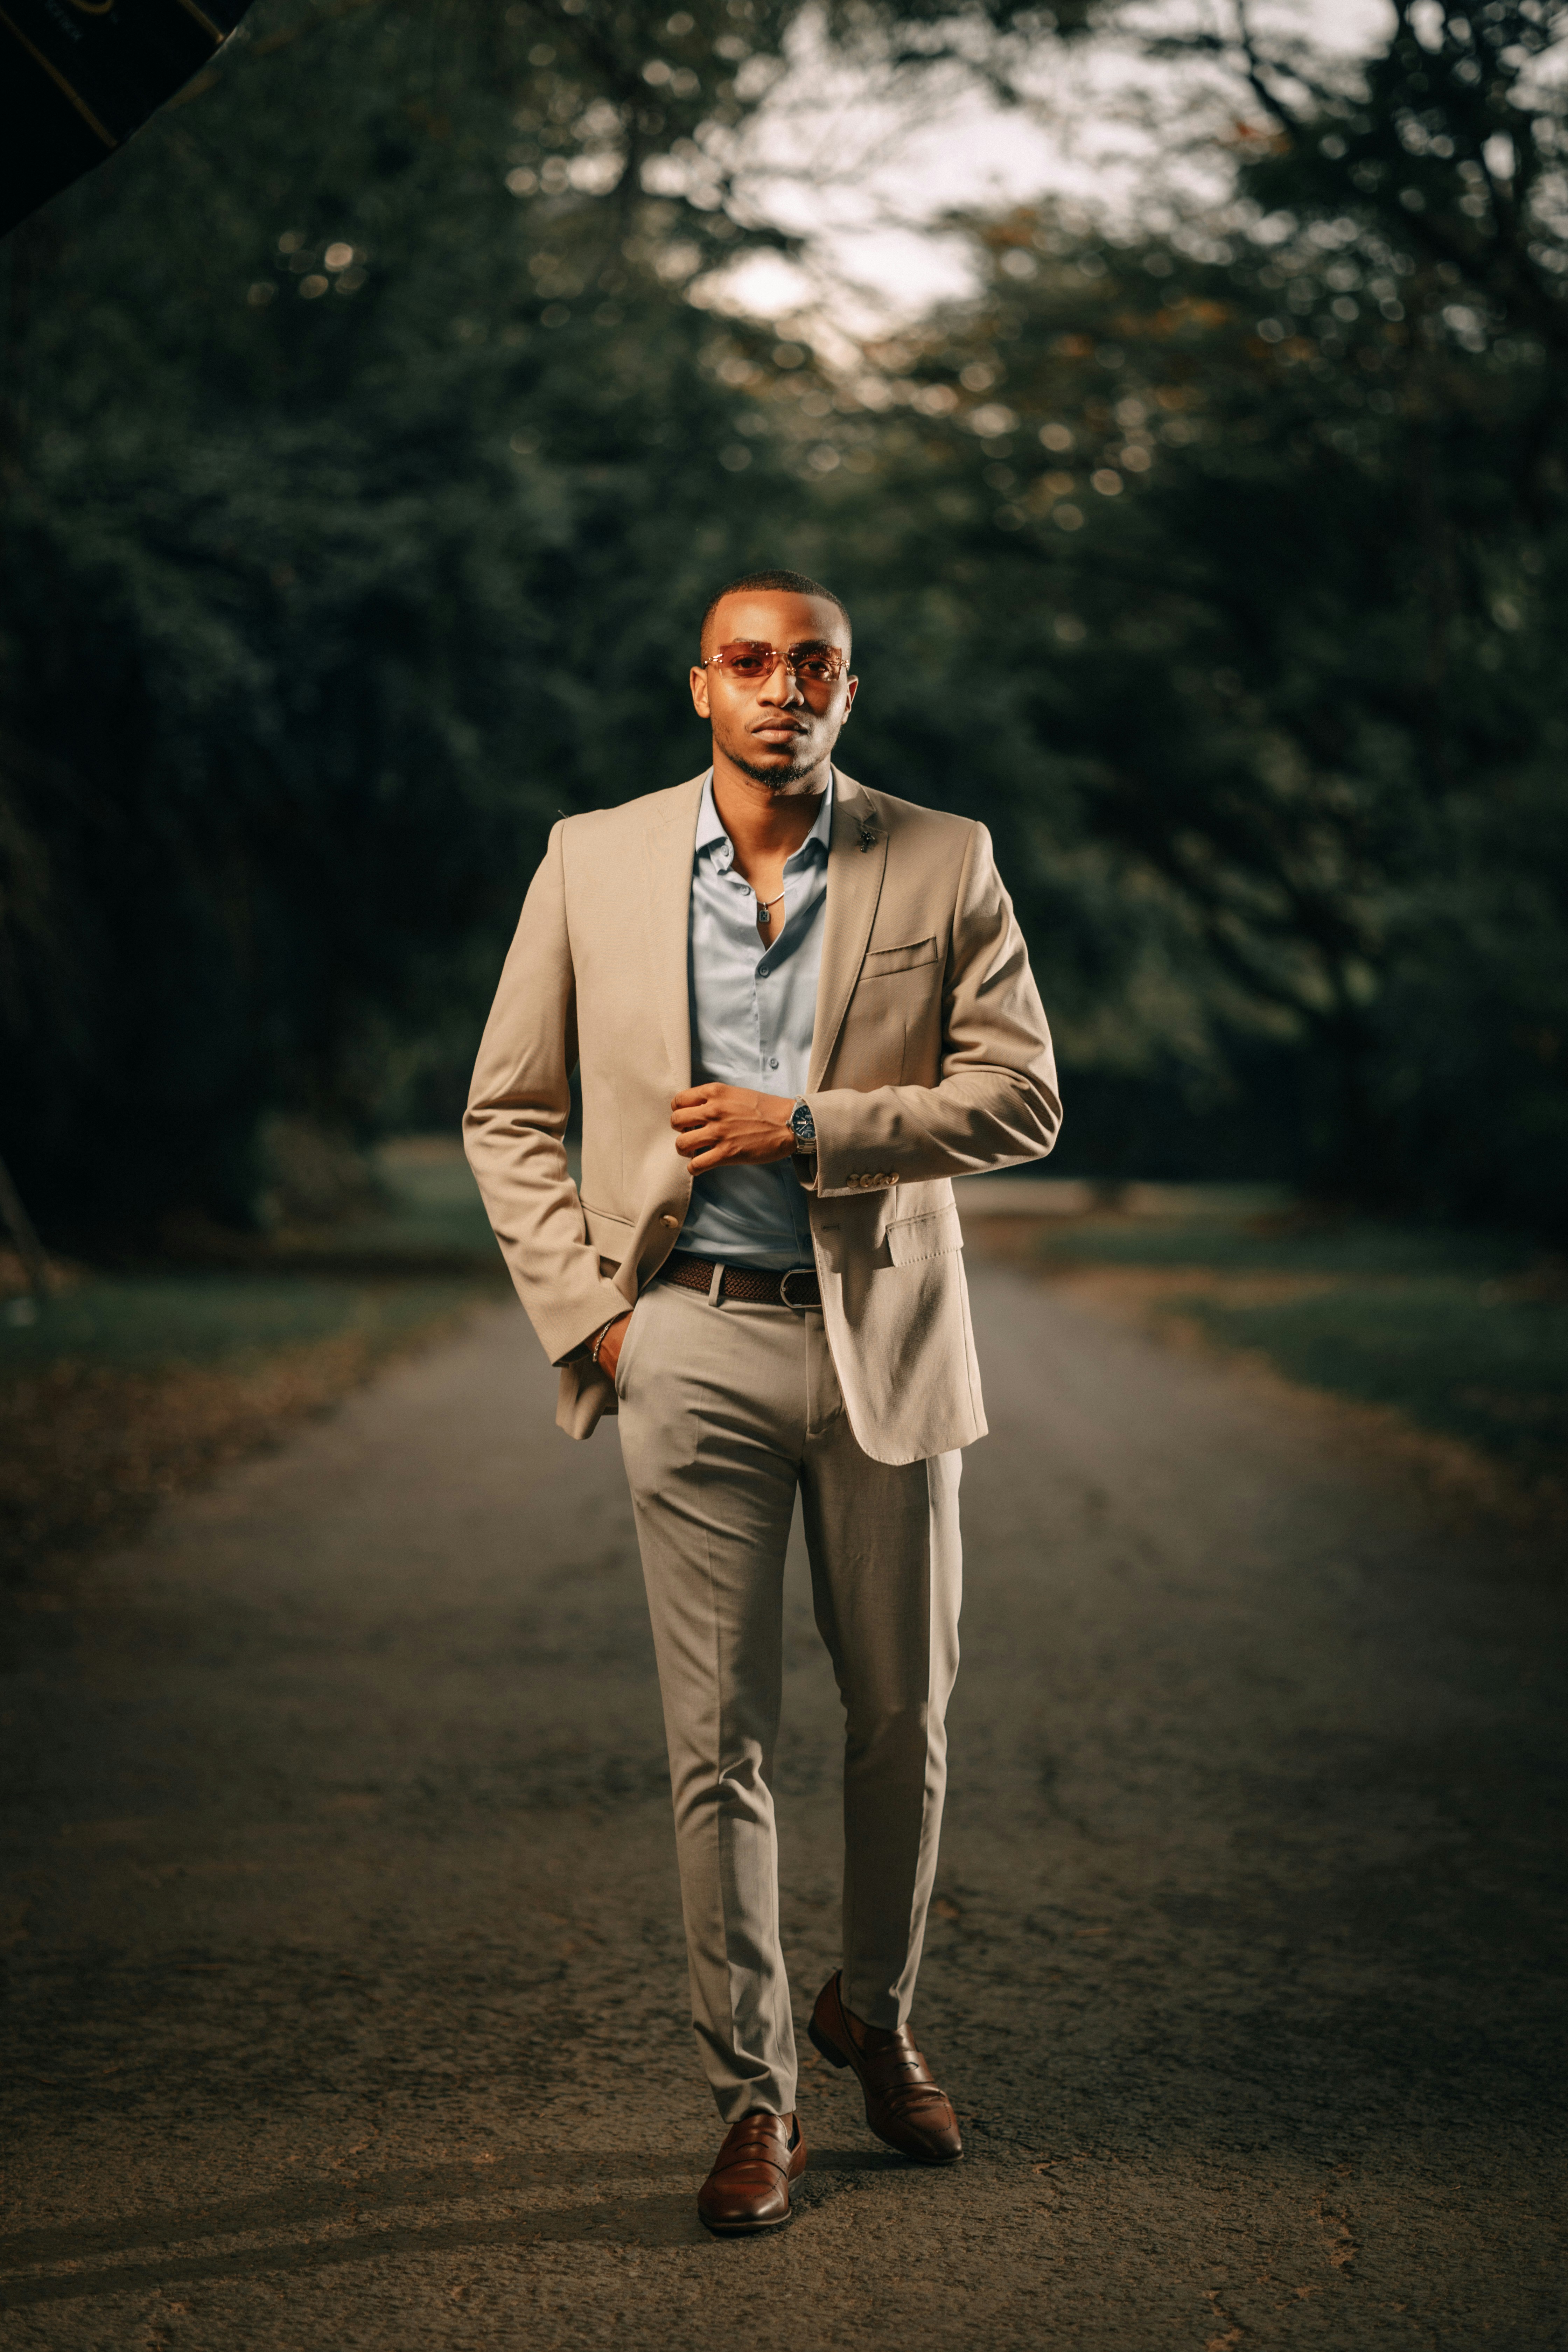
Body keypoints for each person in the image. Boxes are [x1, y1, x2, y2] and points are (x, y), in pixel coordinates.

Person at [464, 568, 1060, 2234]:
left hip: (884, 1345)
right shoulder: (594, 858)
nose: (782, 687)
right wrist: (592, 1322)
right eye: (751, 662)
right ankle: (756, 2100)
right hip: (689, 1344)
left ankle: (872, 2010)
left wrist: (813, 1127)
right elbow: (506, 1109)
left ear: (848, 693)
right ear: (699, 687)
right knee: (715, 1743)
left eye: (815, 665)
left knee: (902, 1721)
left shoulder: (944, 857)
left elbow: (1022, 1098)